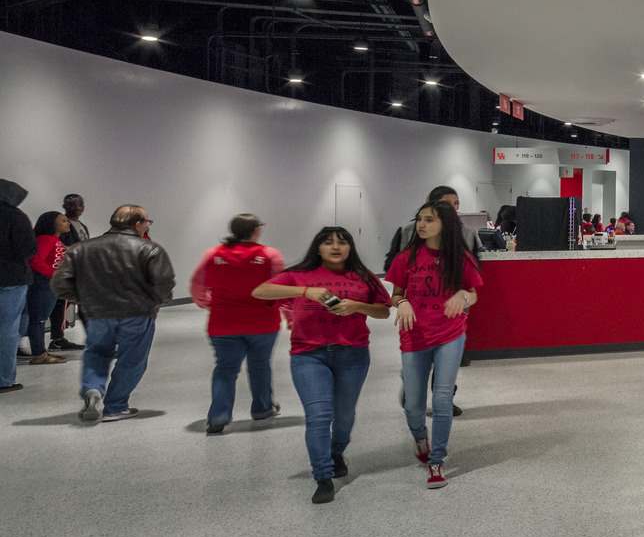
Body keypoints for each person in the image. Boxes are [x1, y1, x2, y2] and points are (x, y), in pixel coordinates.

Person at [256, 226, 395, 503]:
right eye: (328, 242)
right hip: (309, 355)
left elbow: (383, 310)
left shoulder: (364, 277)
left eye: (342, 242)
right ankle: (322, 476)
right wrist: (306, 292)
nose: (335, 247)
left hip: (353, 355)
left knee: (344, 417)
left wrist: (357, 307)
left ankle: (336, 452)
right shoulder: (300, 275)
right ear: (317, 248)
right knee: (319, 416)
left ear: (350, 248)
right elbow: (261, 291)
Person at [385, 199, 482, 488]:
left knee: (441, 399)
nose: (422, 225)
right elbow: (394, 294)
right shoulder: (406, 258)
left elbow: (473, 294)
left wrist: (462, 296)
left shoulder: (461, 259)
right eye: (420, 219)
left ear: (445, 224)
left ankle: (437, 460)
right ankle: (419, 437)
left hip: (449, 335)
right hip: (414, 334)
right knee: (413, 405)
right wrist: (401, 302)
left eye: (429, 220)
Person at [52, 205, 175, 422]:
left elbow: (60, 283)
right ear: (137, 224)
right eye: (147, 222)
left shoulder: (81, 248)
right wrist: (152, 303)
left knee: (97, 352)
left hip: (97, 313)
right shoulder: (150, 249)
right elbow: (164, 285)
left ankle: (92, 390)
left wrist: (83, 300)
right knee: (132, 359)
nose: (147, 226)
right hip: (137, 314)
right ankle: (116, 406)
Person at [188, 214, 285, 433]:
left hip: (223, 324)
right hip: (262, 324)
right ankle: (262, 408)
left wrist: (208, 303)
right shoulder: (270, 255)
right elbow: (282, 290)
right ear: (256, 231)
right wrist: (291, 317)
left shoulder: (212, 255)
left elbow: (197, 285)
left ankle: (218, 416)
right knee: (260, 366)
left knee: (225, 368)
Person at [390, 186, 474, 417]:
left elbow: (475, 268)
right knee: (418, 356)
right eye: (449, 204)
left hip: (452, 308)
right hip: (417, 308)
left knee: (447, 360)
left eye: (456, 204)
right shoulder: (409, 230)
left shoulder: (466, 233)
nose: (454, 209)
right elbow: (394, 263)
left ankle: (445, 397)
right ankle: (411, 384)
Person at [18, 210, 68, 366]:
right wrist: (53, 274)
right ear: (52, 223)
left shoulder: (54, 240)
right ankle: (39, 354)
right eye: (63, 220)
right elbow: (35, 261)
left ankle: (41, 352)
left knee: (39, 319)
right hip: (43, 283)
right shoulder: (46, 239)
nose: (67, 223)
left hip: (47, 283)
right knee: (38, 320)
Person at [0, 178, 34, 393]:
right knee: (8, 329)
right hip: (11, 279)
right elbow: (28, 249)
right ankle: (3, 379)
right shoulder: (15, 216)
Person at [42, 194, 86, 349]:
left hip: (77, 271)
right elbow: (58, 248)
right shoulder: (61, 229)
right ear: (65, 206)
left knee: (74, 304)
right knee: (60, 304)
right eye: (74, 204)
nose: (78, 208)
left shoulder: (80, 226)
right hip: (65, 272)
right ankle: (57, 339)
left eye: (80, 204)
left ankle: (58, 338)